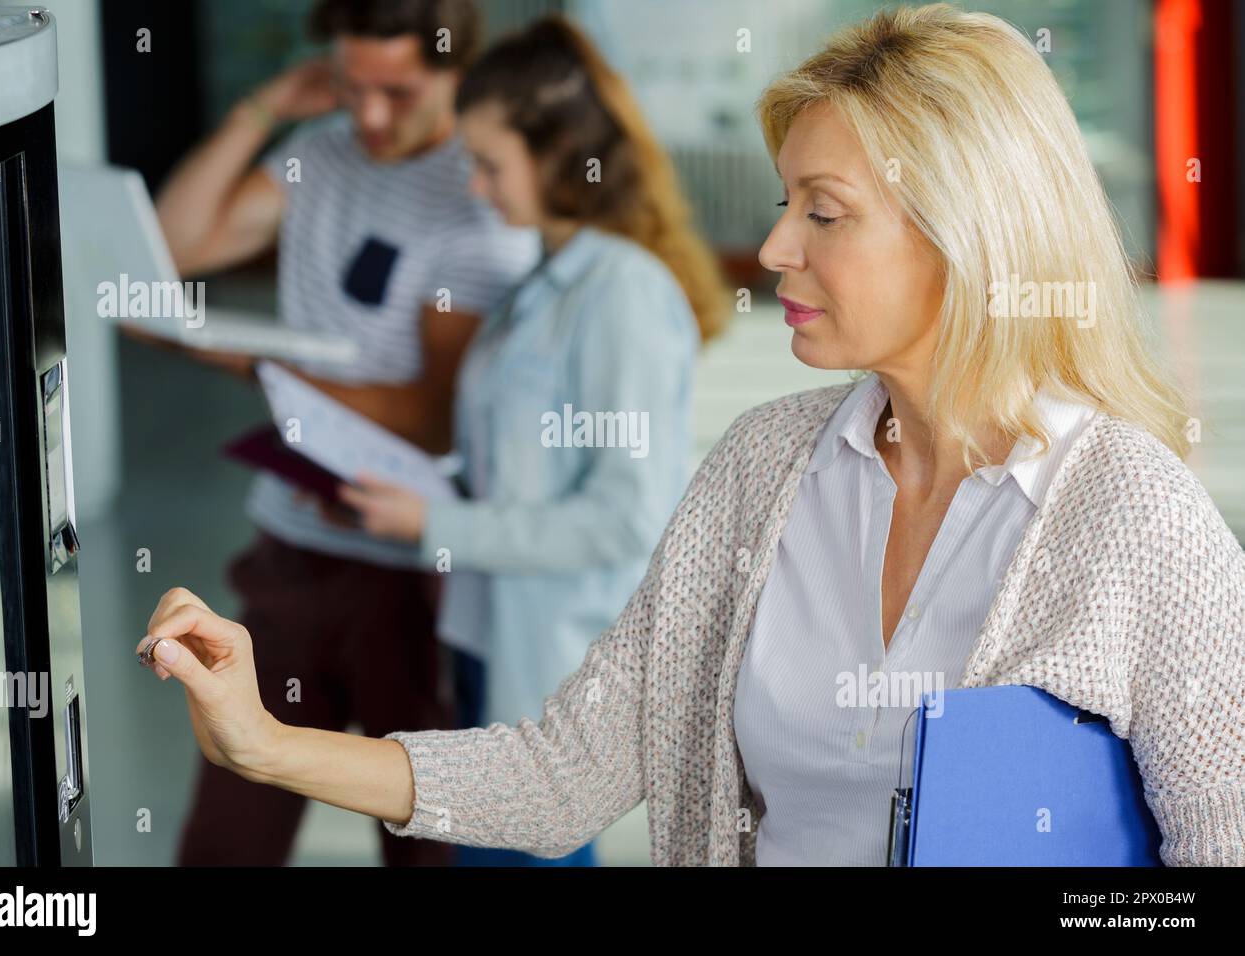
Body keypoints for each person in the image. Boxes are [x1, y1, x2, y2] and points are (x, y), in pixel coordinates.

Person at [135, 4, 1245, 866]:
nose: (770, 250)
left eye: (822, 211)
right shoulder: (764, 466)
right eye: (782, 204)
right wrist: (264, 742)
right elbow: (566, 769)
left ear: (965, 230)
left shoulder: (1131, 515)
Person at [327, 15, 729, 866]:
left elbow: (623, 519)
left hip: (547, 672)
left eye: (489, 163)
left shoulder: (621, 296)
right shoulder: (541, 282)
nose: (474, 188)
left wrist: (433, 528)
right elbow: (517, 472)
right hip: (485, 642)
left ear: (558, 156)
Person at [150, 0, 538, 866]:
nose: (367, 115)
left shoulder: (481, 201)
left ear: (454, 72)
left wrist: (260, 368)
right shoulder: (314, 154)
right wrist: (262, 111)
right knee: (226, 836)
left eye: (396, 91)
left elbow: (433, 411)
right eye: (349, 85)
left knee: (424, 835)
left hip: (413, 573)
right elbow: (169, 254)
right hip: (289, 544)